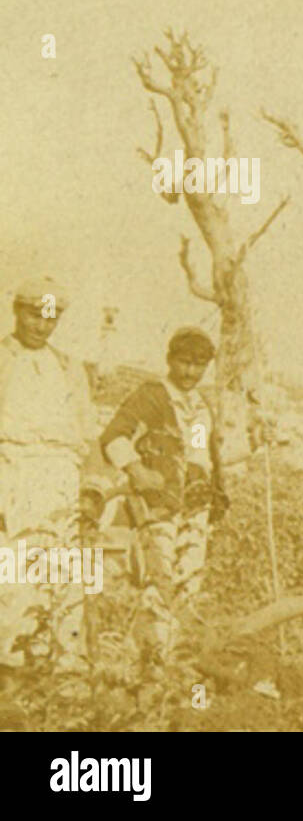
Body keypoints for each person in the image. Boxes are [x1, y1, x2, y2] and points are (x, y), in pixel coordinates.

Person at [99, 326, 237, 667]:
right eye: (184, 362)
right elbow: (114, 437)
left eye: (199, 364)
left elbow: (203, 454)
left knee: (189, 579)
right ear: (169, 360)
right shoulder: (152, 396)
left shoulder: (201, 405)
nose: (190, 372)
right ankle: (151, 661)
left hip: (196, 505)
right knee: (158, 579)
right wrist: (137, 471)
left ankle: (177, 658)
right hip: (159, 505)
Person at [0, 276, 109, 677]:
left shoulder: (69, 367)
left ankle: (67, 676)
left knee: (68, 579)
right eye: (34, 316)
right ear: (17, 311)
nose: (41, 327)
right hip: (12, 476)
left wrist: (93, 489)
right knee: (14, 581)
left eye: (50, 319)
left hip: (62, 480)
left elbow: (87, 433)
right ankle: (14, 675)